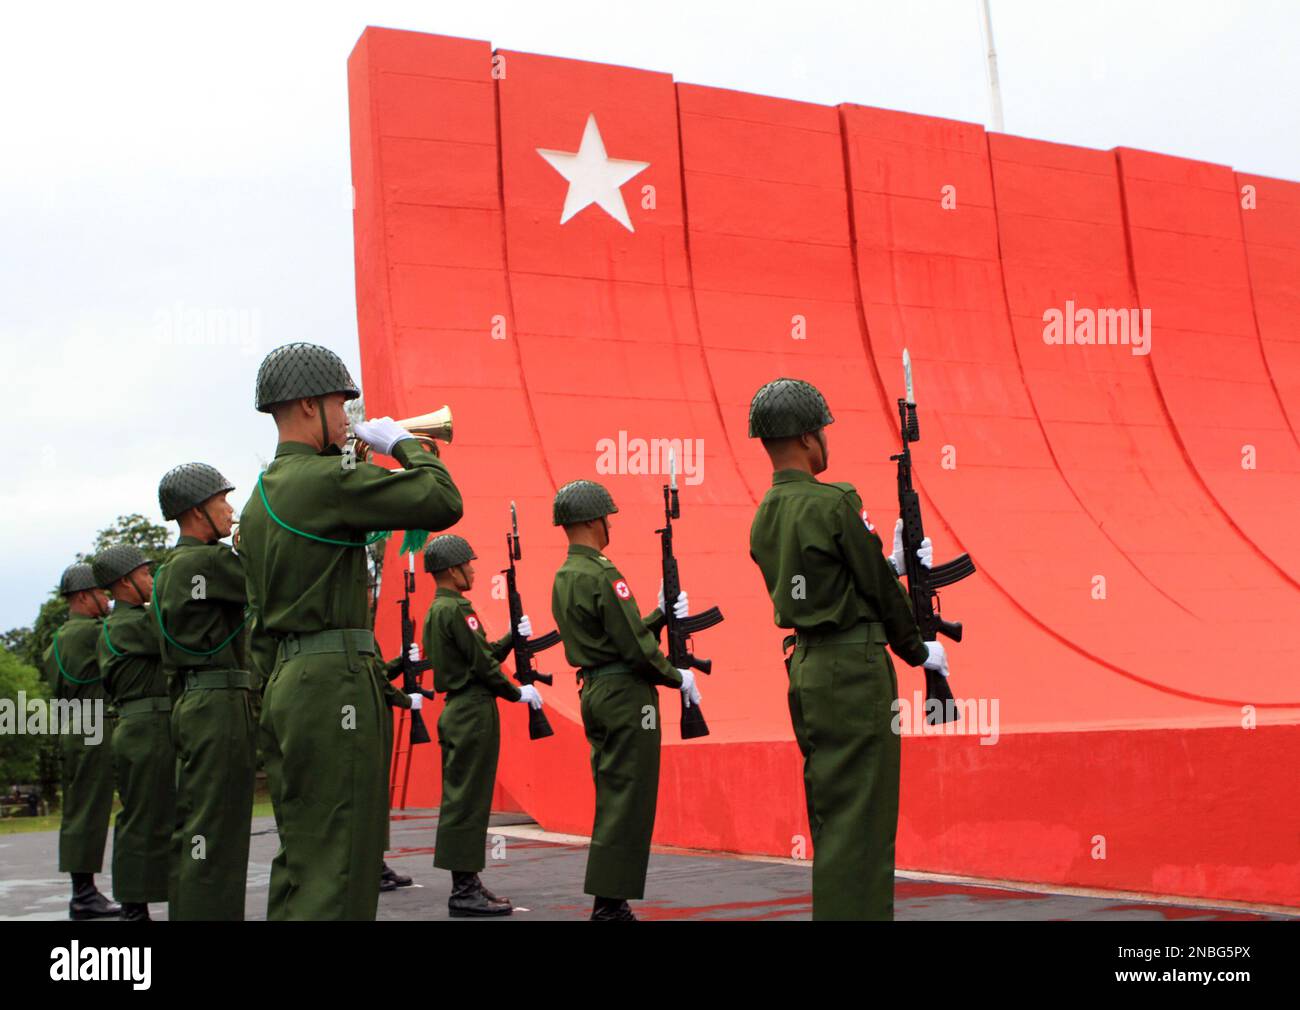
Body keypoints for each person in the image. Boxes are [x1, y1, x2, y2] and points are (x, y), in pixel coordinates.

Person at [238, 341, 463, 920]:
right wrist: (406, 444)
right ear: (310, 405)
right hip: (333, 680)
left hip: (290, 682)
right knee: (344, 853)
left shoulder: (260, 499)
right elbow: (442, 499)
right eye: (344, 406)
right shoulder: (322, 482)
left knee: (306, 852)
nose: (352, 420)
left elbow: (260, 620)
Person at [746, 377, 948, 921]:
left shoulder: (765, 513)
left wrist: (895, 562)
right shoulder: (836, 502)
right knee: (867, 817)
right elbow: (875, 591)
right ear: (808, 438)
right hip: (854, 671)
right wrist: (918, 648)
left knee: (835, 817)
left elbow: (835, 583)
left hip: (807, 669)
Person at [549, 480, 695, 921]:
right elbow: (633, 648)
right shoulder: (602, 573)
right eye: (607, 517)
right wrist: (678, 677)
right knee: (629, 799)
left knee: (614, 796)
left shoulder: (564, 577)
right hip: (624, 696)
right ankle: (610, 905)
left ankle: (609, 900)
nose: (609, 524)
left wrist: (657, 616)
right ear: (594, 520)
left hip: (594, 690)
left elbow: (613, 636)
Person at [421, 533, 543, 916]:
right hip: (472, 709)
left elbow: (479, 653)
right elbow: (482, 664)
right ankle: (463, 890)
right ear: (453, 569)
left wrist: (510, 638)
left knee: (467, 799)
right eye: (468, 563)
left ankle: (469, 881)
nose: (473, 569)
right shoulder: (457, 609)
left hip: (462, 708)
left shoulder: (438, 610)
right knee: (467, 803)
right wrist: (515, 692)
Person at [154, 462, 256, 920]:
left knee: (196, 829)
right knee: (219, 833)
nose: (231, 509)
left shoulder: (172, 566)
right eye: (222, 500)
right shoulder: (208, 562)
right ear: (198, 511)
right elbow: (270, 583)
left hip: (193, 701)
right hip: (219, 704)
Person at [93, 543, 175, 922]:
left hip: (149, 726)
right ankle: (133, 908)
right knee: (142, 819)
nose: (151, 579)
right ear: (125, 582)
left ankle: (136, 904)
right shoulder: (126, 624)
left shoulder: (129, 621)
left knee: (151, 816)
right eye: (145, 574)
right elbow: (174, 632)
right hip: (146, 728)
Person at [42, 562, 119, 920]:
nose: (107, 599)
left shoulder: (56, 640)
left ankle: (82, 891)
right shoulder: (93, 632)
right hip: (94, 724)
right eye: (102, 593)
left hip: (69, 725)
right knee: (91, 808)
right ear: (85, 596)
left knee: (76, 809)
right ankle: (85, 895)